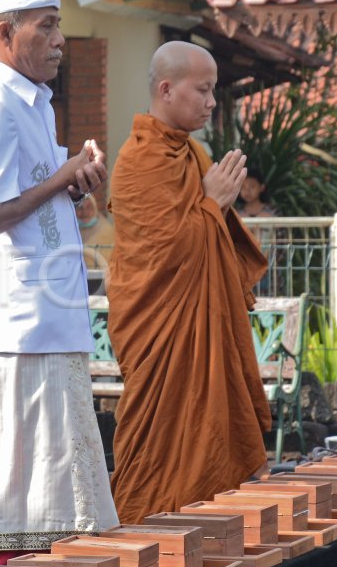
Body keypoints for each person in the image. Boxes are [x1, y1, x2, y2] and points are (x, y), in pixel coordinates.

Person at [0, 0, 119, 567]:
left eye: (59, 26)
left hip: (46, 319)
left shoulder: (32, 103)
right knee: (20, 498)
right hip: (12, 330)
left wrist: (73, 185)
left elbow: (33, 197)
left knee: (59, 491)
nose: (59, 40)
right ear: (3, 35)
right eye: (45, 26)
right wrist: (62, 176)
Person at [107, 40, 271, 524]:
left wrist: (211, 203)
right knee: (154, 460)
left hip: (199, 331)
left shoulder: (193, 154)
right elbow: (163, 259)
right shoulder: (140, 161)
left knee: (214, 452)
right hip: (158, 335)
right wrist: (212, 203)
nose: (211, 102)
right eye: (202, 90)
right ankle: (141, 540)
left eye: (213, 90)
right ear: (166, 89)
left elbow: (207, 245)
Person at [75, 193, 115, 274]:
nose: (85, 212)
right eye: (80, 208)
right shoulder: (69, 231)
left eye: (89, 207)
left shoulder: (106, 230)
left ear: (95, 208)